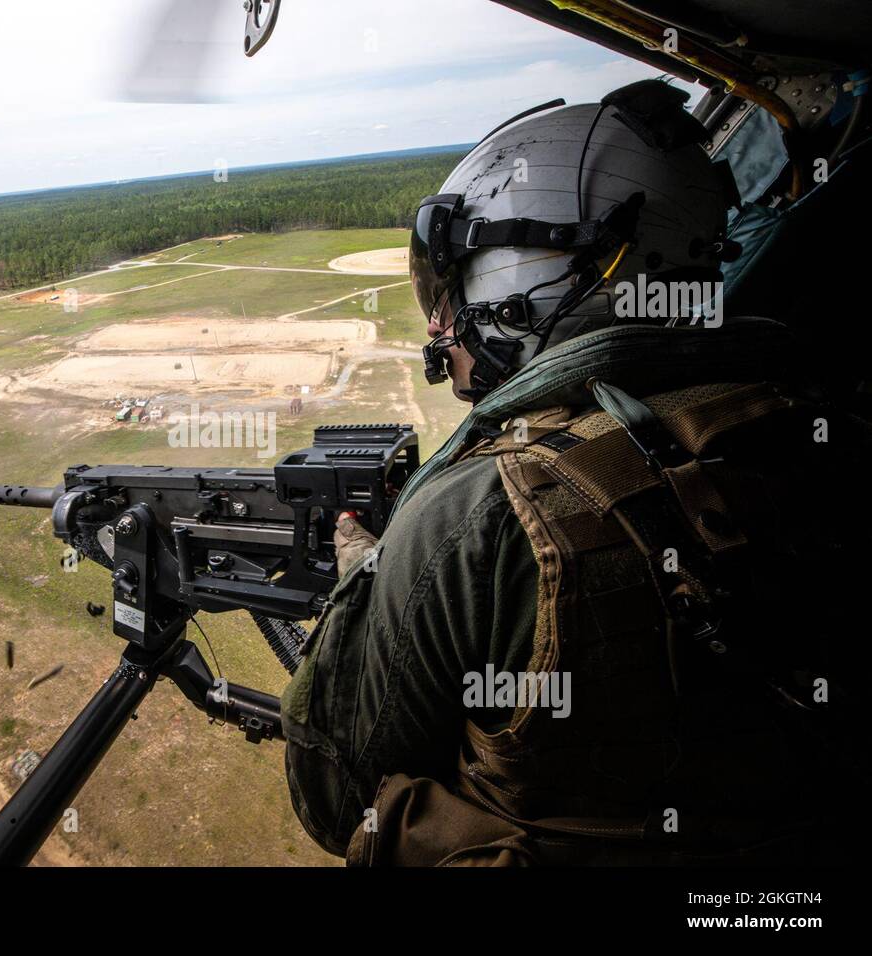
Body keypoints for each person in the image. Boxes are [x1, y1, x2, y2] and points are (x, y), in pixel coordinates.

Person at [280, 80, 870, 865]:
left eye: (453, 293)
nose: (436, 325)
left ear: (527, 276)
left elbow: (332, 795)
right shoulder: (816, 419)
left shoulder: (485, 510)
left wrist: (372, 579)